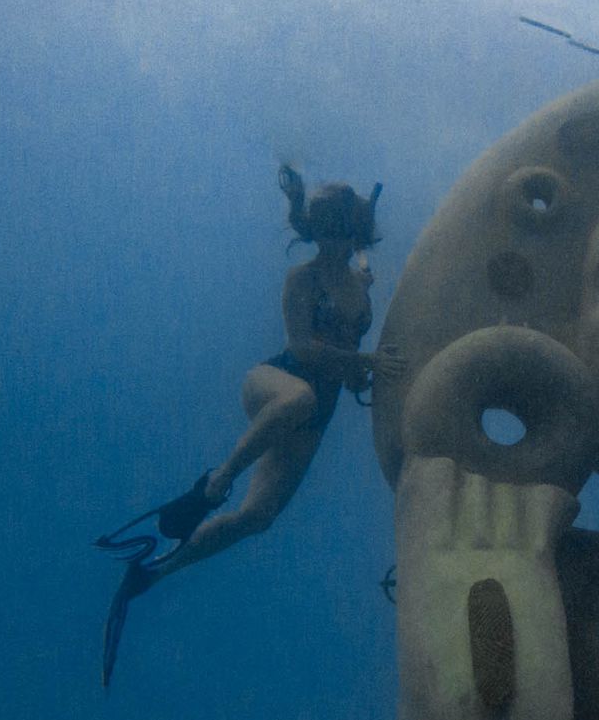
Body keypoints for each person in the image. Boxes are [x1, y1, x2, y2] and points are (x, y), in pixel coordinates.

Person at [97, 164, 404, 687]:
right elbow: (303, 347)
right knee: (300, 397)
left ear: (352, 231)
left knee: (258, 517)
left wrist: (363, 369)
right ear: (314, 230)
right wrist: (367, 364)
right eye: (326, 229)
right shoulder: (300, 278)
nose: (335, 239)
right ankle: (218, 479)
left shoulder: (360, 285)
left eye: (343, 230)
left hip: (315, 411)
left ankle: (152, 572)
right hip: (276, 383)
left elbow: (350, 362)